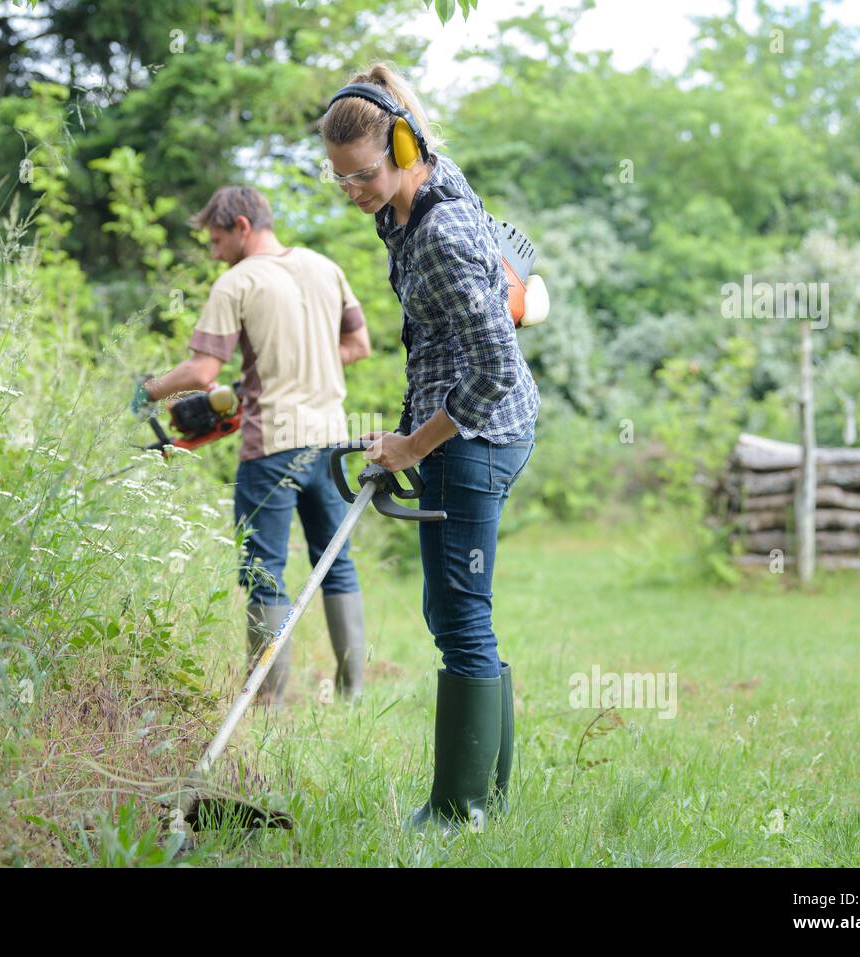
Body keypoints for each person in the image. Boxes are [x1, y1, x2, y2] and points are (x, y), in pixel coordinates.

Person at [319, 64, 540, 833]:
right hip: (473, 426)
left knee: (458, 617)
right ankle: (492, 798)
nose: (355, 192)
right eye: (341, 179)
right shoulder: (410, 201)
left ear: (405, 148)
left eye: (366, 175)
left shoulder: (439, 228)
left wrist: (413, 444)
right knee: (461, 611)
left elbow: (495, 368)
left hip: (477, 435)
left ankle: (459, 808)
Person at [132, 186, 374, 709]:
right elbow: (358, 345)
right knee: (337, 562)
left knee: (264, 570)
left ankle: (267, 703)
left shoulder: (236, 283)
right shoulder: (323, 266)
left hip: (273, 450)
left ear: (242, 226)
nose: (215, 252)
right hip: (331, 444)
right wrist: (300, 366)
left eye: (217, 240)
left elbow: (200, 372)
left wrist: (148, 390)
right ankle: (354, 694)